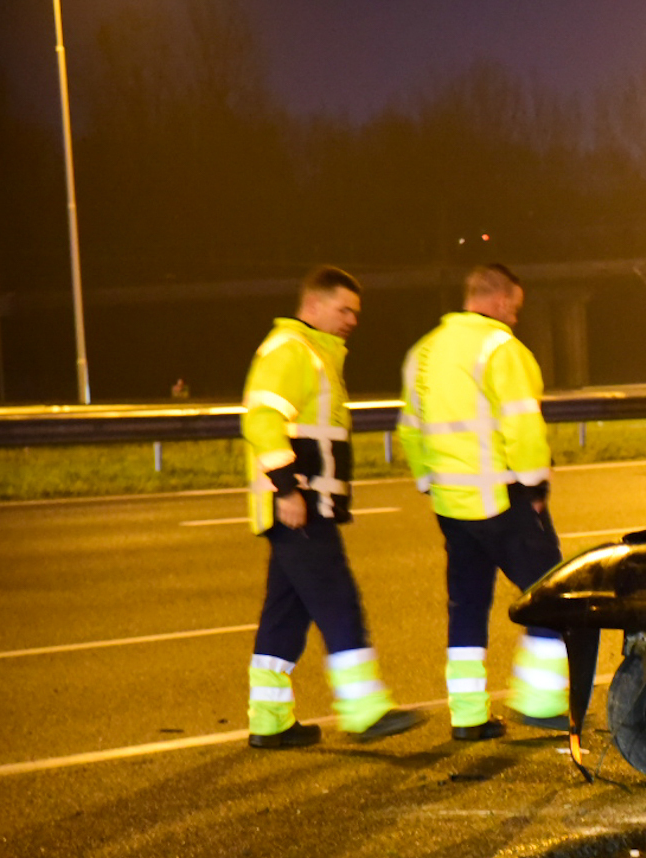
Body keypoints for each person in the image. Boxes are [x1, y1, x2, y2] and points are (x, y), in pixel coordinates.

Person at [241, 266, 420, 748]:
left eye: (356, 312)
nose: (351, 320)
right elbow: (261, 422)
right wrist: (287, 490)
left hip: (305, 502)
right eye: (343, 309)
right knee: (338, 600)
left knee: (285, 614)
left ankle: (269, 719)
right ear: (313, 305)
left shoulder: (316, 354)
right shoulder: (291, 351)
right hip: (300, 504)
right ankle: (363, 709)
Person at [396, 263, 568, 740]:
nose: (514, 317)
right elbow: (522, 425)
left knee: (466, 606)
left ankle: (468, 715)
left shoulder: (423, 352)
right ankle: (539, 698)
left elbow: (409, 430)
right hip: (504, 499)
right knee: (554, 594)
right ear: (497, 301)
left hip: (452, 504)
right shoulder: (500, 348)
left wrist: (429, 482)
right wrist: (535, 488)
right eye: (513, 307)